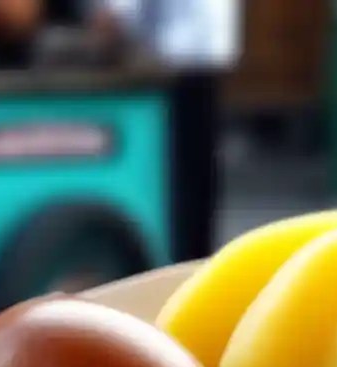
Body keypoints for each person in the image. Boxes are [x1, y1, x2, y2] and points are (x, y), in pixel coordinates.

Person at [93, 0, 239, 261]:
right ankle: (193, 260)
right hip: (199, 60)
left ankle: (182, 260)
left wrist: (114, 19)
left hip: (177, 66)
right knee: (197, 176)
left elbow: (116, 15)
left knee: (182, 177)